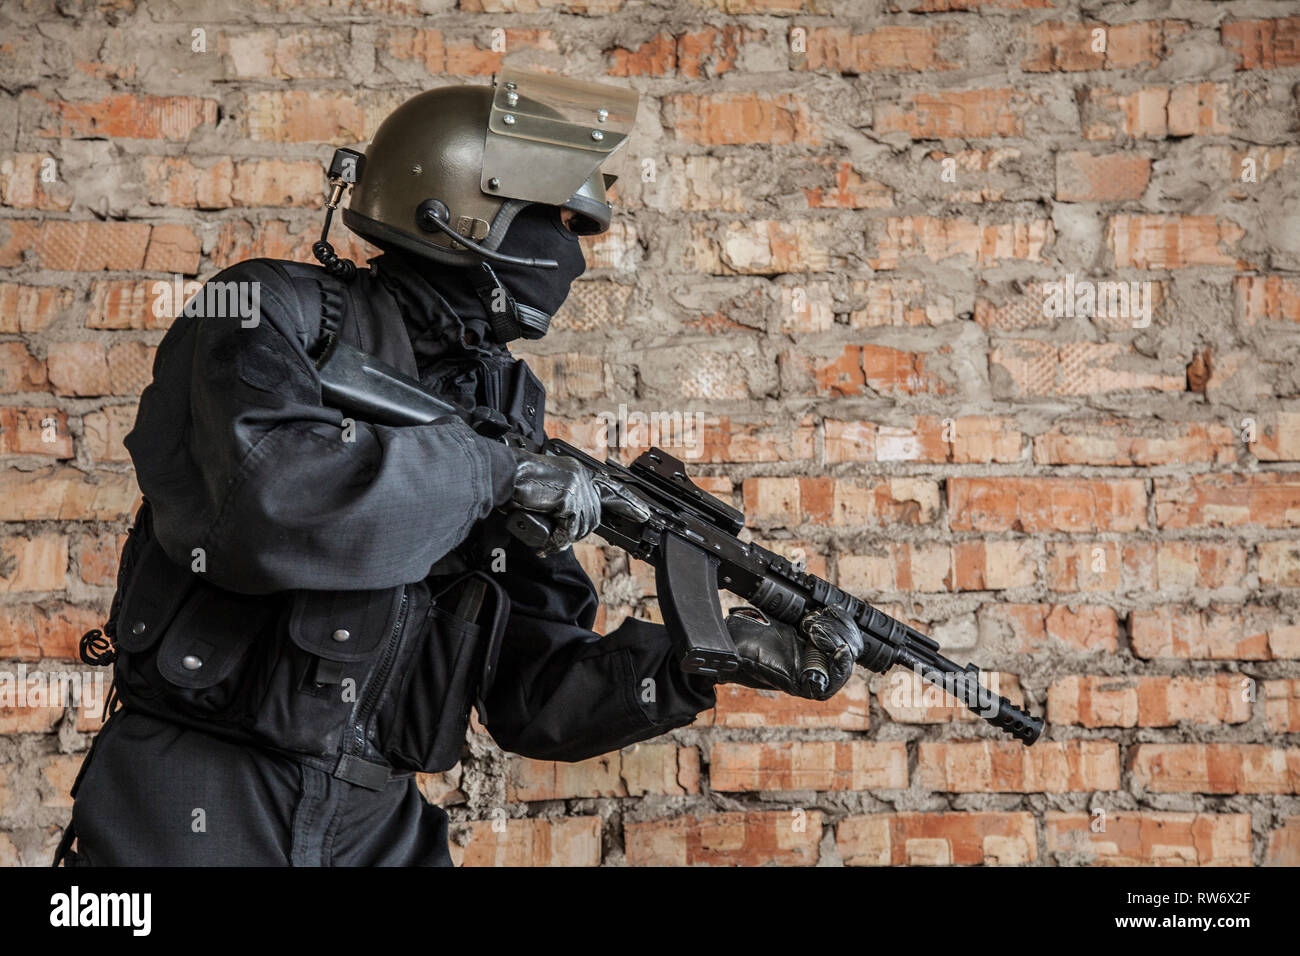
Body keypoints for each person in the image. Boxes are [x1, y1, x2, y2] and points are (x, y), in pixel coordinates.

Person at [56, 69, 864, 867]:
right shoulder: (267, 309)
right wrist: (492, 474)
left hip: (373, 818)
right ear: (457, 208)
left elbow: (531, 690)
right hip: (196, 794)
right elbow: (264, 505)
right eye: (552, 220)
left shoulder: (506, 401)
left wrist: (704, 654)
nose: (569, 253)